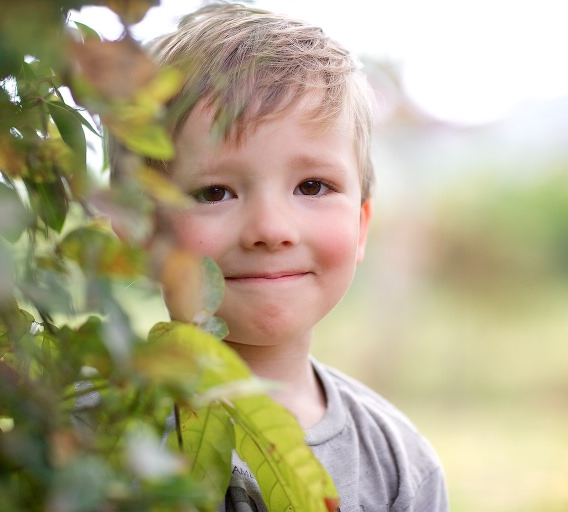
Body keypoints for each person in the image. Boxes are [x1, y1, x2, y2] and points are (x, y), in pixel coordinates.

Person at [119, 3, 449, 511]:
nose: (271, 230)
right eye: (214, 192)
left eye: (312, 185)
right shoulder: (85, 439)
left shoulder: (399, 464)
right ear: (143, 231)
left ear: (361, 227)